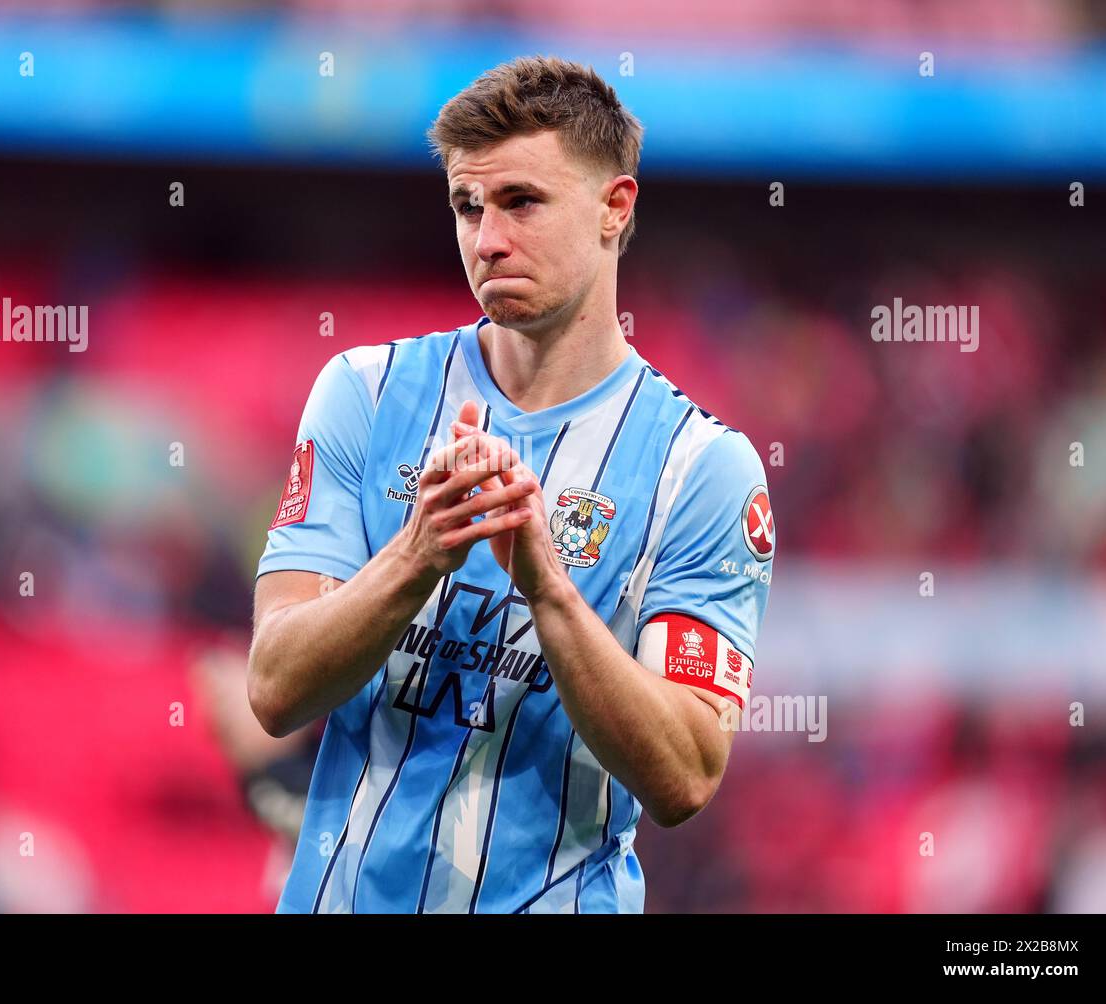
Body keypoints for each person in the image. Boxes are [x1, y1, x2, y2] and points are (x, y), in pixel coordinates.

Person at [248, 55, 774, 913]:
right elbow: (275, 687)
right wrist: (417, 555)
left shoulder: (703, 471)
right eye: (467, 205)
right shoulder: (365, 393)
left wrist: (549, 591)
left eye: (521, 201)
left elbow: (685, 775)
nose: (486, 238)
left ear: (615, 208)